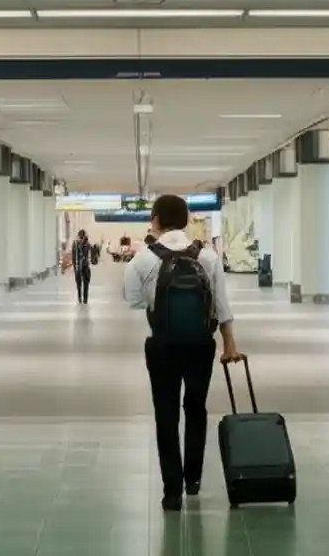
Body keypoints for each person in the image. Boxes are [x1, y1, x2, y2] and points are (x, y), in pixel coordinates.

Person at [125, 194, 243, 511]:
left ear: (156, 220)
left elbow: (133, 299)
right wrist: (229, 343)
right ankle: (193, 478)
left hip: (162, 346)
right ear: (187, 220)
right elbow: (221, 304)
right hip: (201, 345)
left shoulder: (144, 258)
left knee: (166, 414)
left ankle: (172, 491)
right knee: (196, 408)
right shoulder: (207, 256)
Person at [71, 230, 93, 304]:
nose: (81, 238)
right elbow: (73, 256)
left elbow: (90, 253)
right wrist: (75, 268)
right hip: (78, 265)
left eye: (82, 237)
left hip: (85, 265)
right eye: (80, 237)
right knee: (79, 283)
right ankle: (80, 297)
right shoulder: (75, 244)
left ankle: (85, 299)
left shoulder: (87, 243)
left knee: (86, 282)